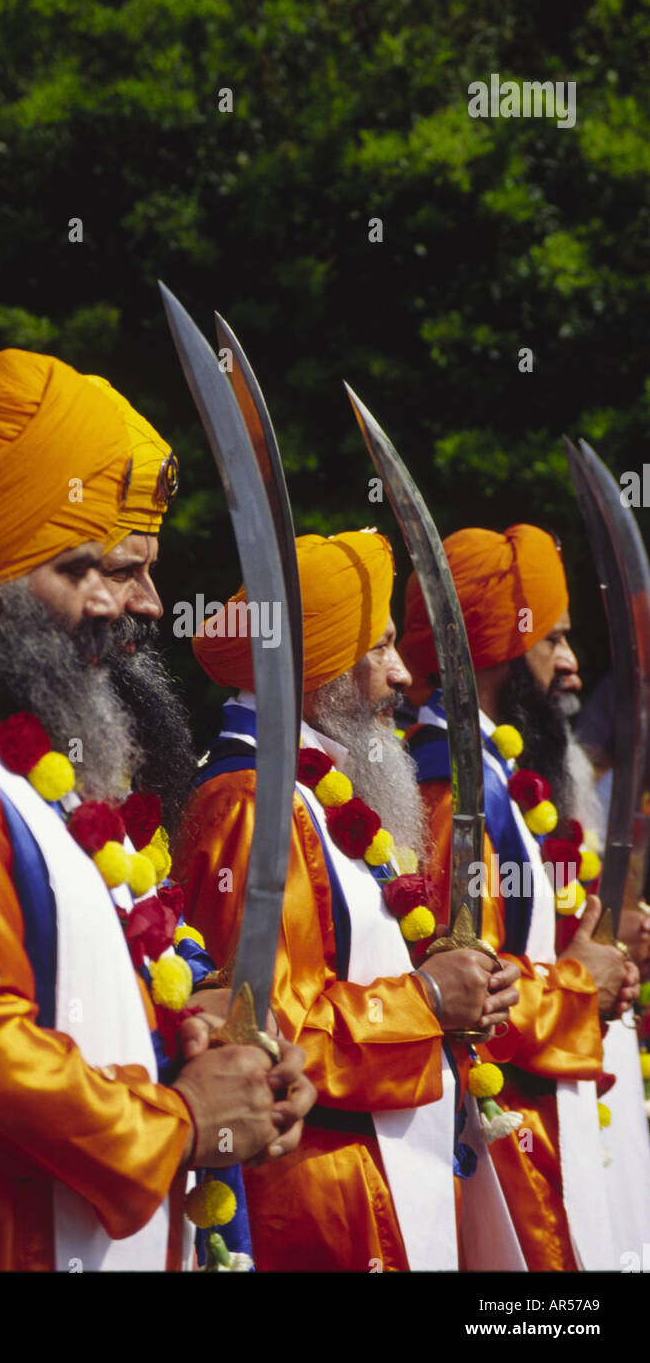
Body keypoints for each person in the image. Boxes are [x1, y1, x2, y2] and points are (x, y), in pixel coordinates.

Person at [0, 349, 314, 1272]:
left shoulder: (12, 763)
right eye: (98, 570)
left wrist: (178, 1032)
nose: (145, 606)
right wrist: (185, 1116)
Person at [173, 529, 519, 1271]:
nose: (402, 675)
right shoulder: (250, 802)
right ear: (316, 666)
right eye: (379, 648)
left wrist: (467, 982)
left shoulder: (318, 795)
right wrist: (429, 998)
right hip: (319, 1200)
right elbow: (266, 1029)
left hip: (383, 1177)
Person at [402, 522, 644, 1269]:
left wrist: (603, 951)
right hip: (510, 1148)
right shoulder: (454, 786)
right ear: (503, 649)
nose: (573, 667)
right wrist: (580, 984)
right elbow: (471, 992)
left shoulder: (501, 773)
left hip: (552, 1120)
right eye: (555, 641)